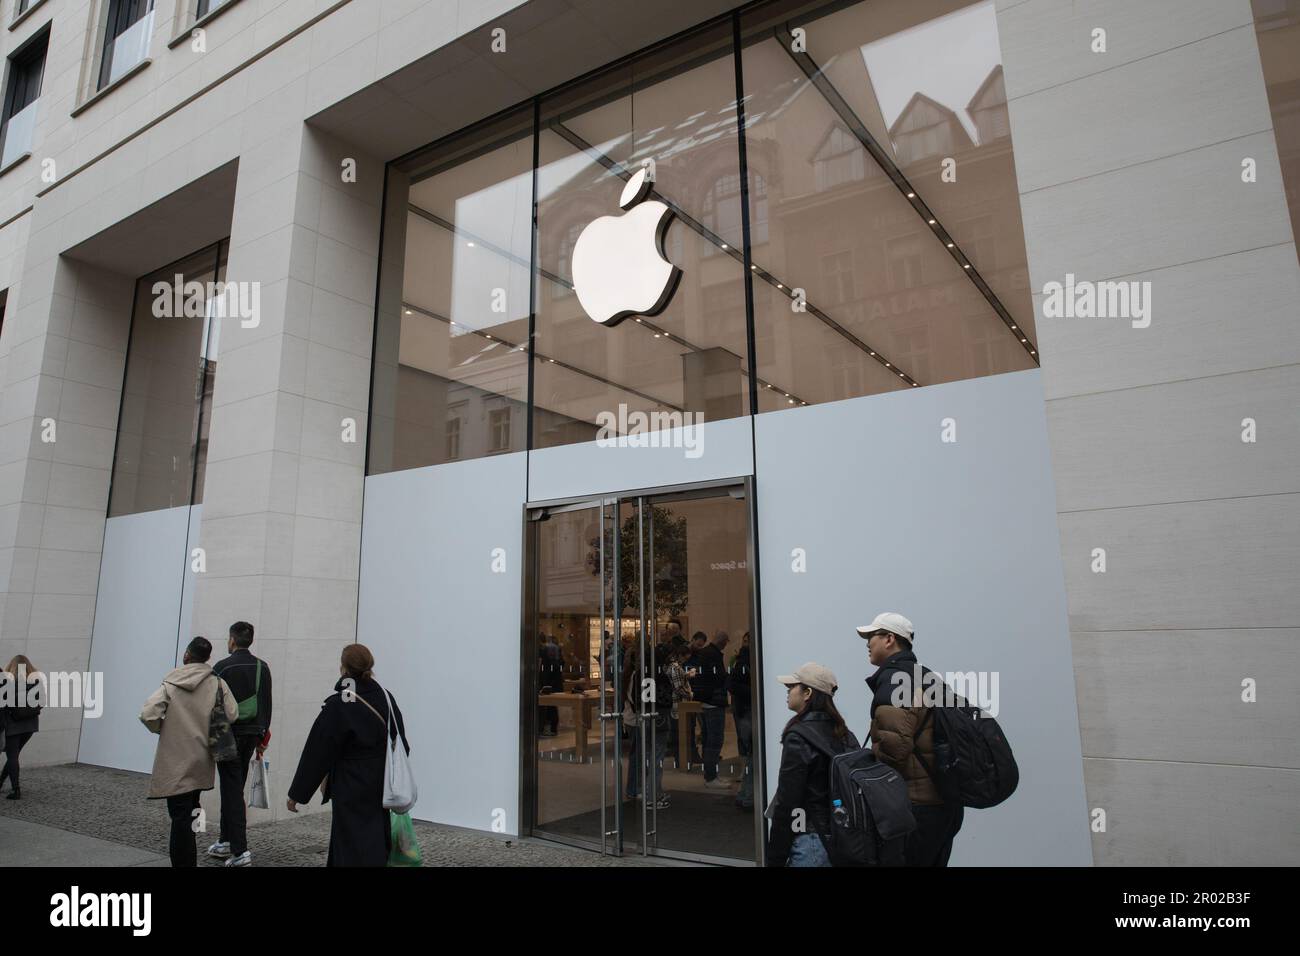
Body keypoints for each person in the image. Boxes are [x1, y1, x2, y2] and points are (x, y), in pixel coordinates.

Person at [286, 643, 410, 867]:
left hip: (350, 783)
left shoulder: (341, 702)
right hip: (380, 781)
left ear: (343, 668)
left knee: (350, 841)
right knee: (375, 835)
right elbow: (401, 743)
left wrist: (298, 793)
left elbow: (318, 751)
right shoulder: (386, 697)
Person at [859, 611, 964, 866]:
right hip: (947, 804)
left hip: (917, 808)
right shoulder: (928, 677)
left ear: (889, 639)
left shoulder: (896, 680)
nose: (867, 643)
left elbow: (894, 750)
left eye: (872, 636)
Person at [140, 637, 239, 867]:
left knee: (179, 818)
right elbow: (232, 714)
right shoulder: (217, 683)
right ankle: (190, 857)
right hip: (201, 759)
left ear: (187, 654)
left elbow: (148, 714)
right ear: (207, 658)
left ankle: (183, 863)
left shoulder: (172, 683)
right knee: (192, 810)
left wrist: (164, 730)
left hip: (175, 761)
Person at [765, 662, 856, 867]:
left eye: (792, 687)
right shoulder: (843, 733)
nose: (787, 691)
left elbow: (788, 802)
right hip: (839, 837)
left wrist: (775, 857)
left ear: (807, 693)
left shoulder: (798, 737)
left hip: (810, 843)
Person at [208, 621, 273, 867]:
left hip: (228, 735)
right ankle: (226, 840)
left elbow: (213, 706)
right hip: (253, 734)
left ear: (232, 640)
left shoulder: (222, 668)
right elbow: (266, 704)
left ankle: (240, 850)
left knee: (231, 789)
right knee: (234, 787)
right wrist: (263, 738)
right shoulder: (262, 667)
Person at [0, 656, 43, 801]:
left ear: (11, 666)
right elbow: (41, 702)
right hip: (30, 726)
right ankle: (1, 783)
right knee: (14, 756)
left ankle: (16, 789)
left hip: (13, 726)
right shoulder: (35, 680)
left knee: (12, 757)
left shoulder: (8, 681)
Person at [693, 630, 730, 788]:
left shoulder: (705, 654)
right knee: (714, 740)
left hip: (706, 701)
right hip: (713, 701)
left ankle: (710, 775)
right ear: (723, 642)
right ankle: (711, 777)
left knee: (709, 739)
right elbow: (718, 677)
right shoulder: (713, 655)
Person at [727, 633, 753, 810]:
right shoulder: (744, 661)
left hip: (743, 710)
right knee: (753, 756)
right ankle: (747, 796)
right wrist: (754, 692)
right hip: (747, 711)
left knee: (750, 754)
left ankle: (745, 794)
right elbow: (732, 684)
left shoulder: (740, 660)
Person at [682, 631, 708, 765]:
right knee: (689, 727)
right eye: (698, 644)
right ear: (692, 640)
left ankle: (702, 755)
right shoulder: (685, 653)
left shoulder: (700, 655)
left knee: (702, 726)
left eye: (701, 646)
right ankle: (691, 755)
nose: (699, 647)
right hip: (688, 694)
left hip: (697, 693)